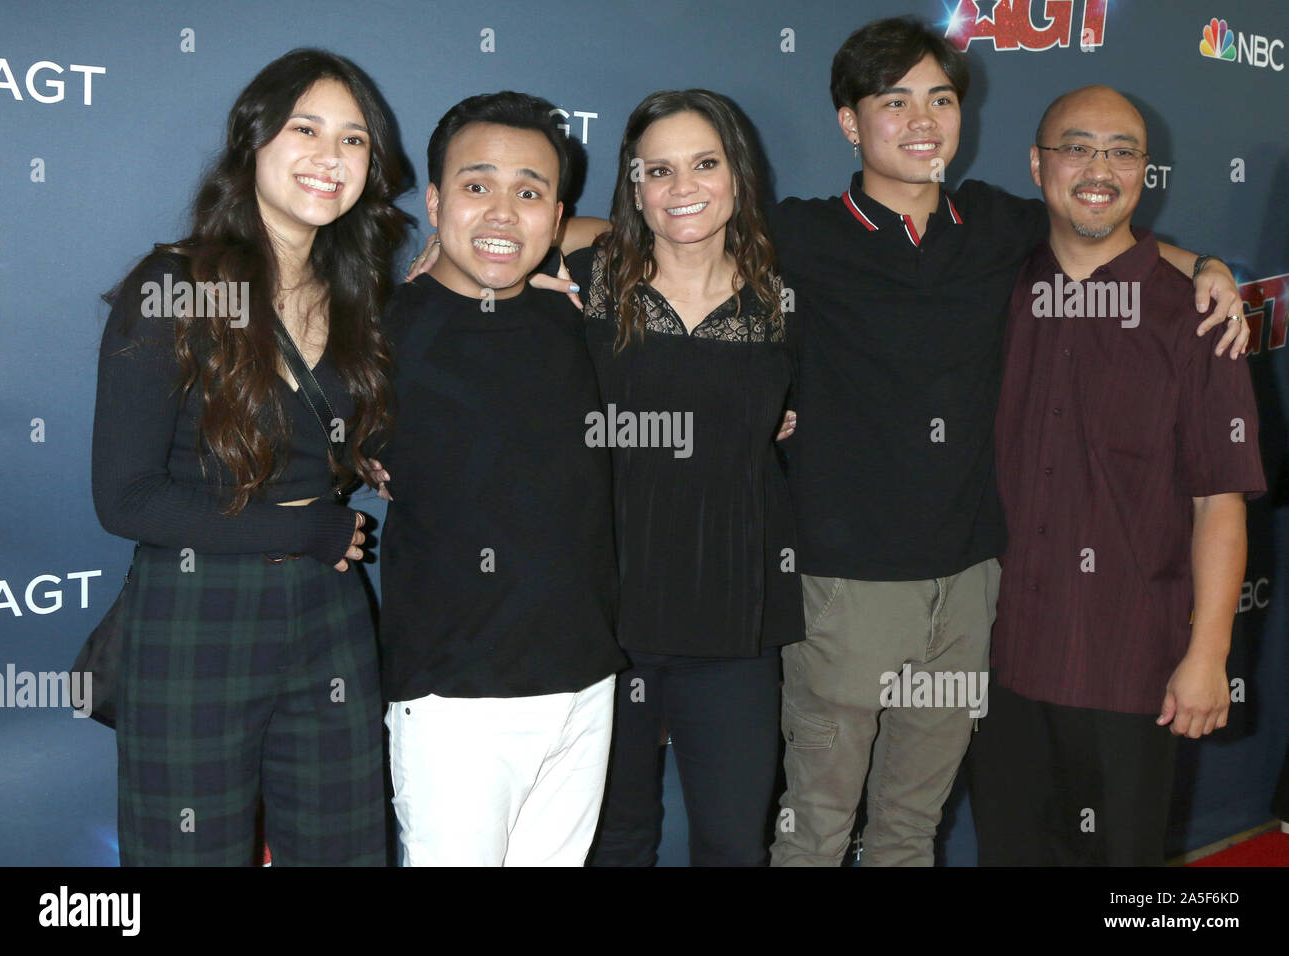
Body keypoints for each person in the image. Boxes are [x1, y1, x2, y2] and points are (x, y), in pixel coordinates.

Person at [549, 15, 1249, 868]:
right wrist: (516, 238)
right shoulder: (795, 238)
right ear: (849, 122)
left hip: (968, 591)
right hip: (840, 590)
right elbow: (647, 230)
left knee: (910, 831)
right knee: (814, 827)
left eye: (941, 98)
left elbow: (1102, 225)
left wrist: (1206, 265)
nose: (923, 120)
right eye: (895, 100)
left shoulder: (997, 225)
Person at [92, 48, 409, 865]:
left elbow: (342, 431)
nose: (329, 157)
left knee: (346, 850)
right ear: (253, 141)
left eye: (353, 140)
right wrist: (307, 531)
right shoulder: (175, 286)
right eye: (306, 129)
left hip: (329, 616)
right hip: (199, 615)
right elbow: (125, 498)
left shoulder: (357, 296)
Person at [967, 86, 1265, 866]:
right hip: (999, 659)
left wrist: (1209, 656)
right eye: (1077, 146)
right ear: (1038, 165)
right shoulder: (988, 285)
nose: (1100, 167)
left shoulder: (1197, 318)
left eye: (1123, 150)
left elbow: (1219, 503)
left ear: (1146, 171)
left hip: (1134, 665)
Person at [374, 92, 627, 866]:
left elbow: (662, 233)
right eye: (477, 185)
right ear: (435, 200)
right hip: (452, 703)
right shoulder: (378, 332)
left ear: (556, 216)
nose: (502, 212)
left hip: (584, 685)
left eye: (529, 192)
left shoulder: (578, 316)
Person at [560, 90, 803, 866]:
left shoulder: (787, 292)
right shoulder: (586, 278)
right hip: (610, 617)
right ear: (635, 186)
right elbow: (496, 234)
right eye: (658, 170)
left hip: (735, 619)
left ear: (738, 172)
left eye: (704, 163)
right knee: (616, 838)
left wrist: (1195, 263)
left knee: (734, 843)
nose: (683, 186)